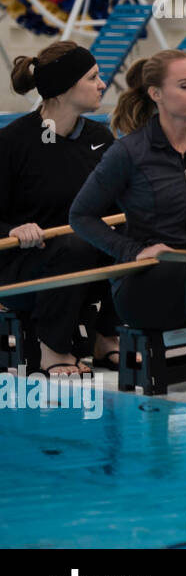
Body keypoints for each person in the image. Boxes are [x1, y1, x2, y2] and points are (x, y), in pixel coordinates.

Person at [69, 50, 186, 402]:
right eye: (185, 85)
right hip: (144, 283)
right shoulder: (128, 152)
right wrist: (133, 251)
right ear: (156, 94)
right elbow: (81, 216)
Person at [0, 41, 118, 374]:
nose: (102, 84)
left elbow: (119, 204)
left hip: (84, 261)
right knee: (76, 244)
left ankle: (105, 336)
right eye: (92, 77)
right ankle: (52, 348)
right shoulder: (12, 142)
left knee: (137, 236)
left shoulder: (101, 138)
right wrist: (14, 230)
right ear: (64, 89)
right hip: (21, 269)